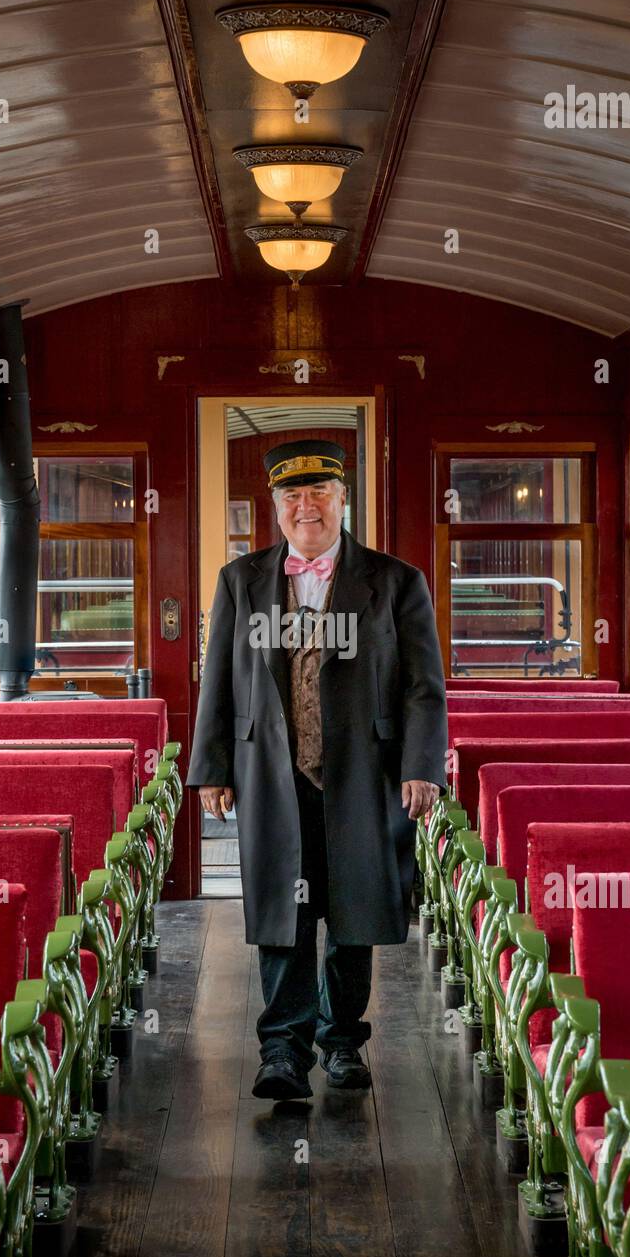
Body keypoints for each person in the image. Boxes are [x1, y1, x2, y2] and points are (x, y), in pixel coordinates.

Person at [186, 439, 447, 1100]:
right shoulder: (240, 581)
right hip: (273, 774)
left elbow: (423, 687)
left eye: (319, 493)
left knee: (353, 912)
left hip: (364, 774)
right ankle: (281, 1050)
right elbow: (217, 682)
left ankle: (341, 1045)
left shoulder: (395, 581)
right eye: (292, 497)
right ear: (277, 508)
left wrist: (422, 766)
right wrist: (212, 767)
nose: (307, 507)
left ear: (342, 499)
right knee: (285, 913)